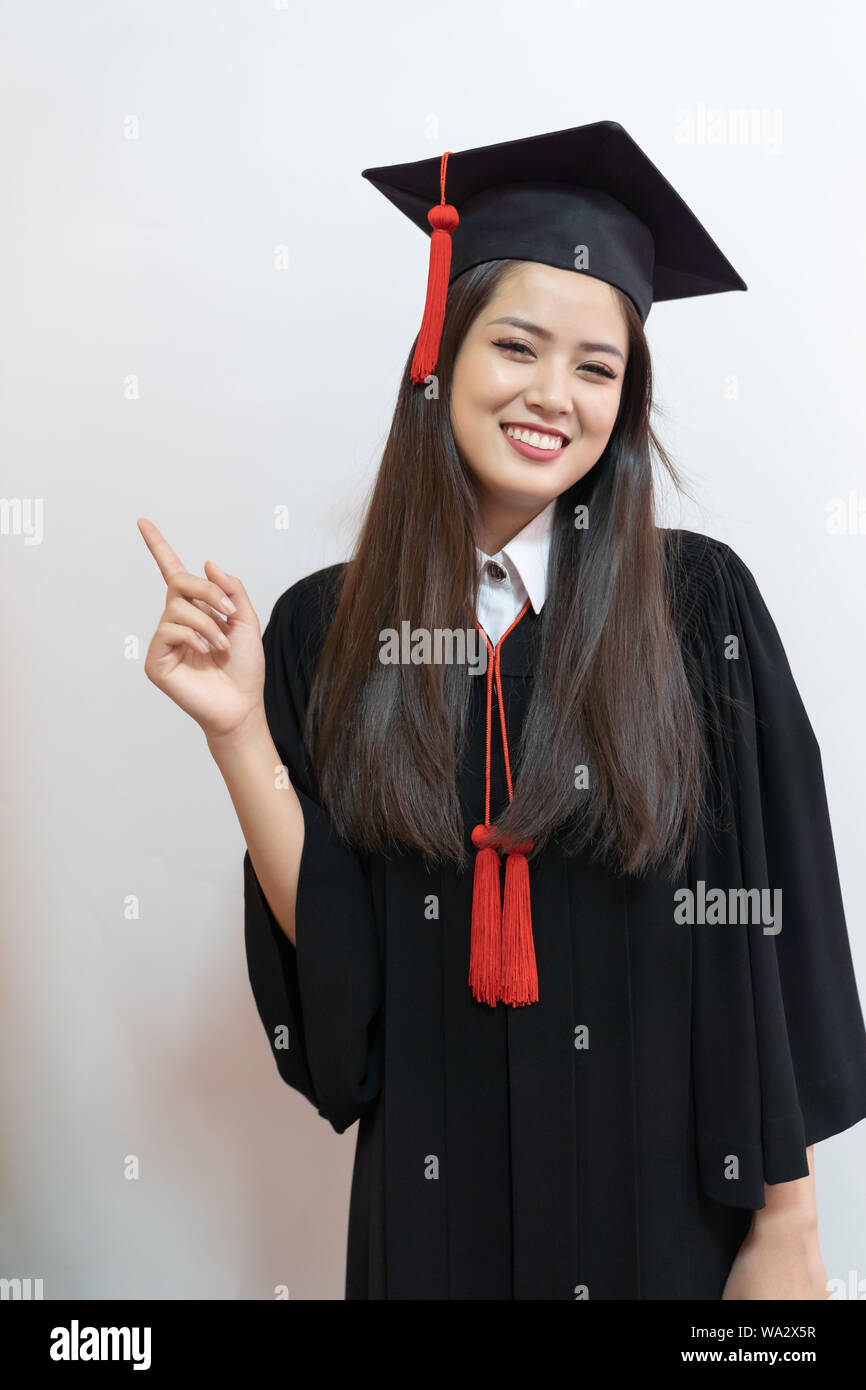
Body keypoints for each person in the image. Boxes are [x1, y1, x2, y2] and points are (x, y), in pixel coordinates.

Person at [139, 121, 866, 1300]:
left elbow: (764, 928)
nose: (551, 395)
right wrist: (235, 732)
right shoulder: (327, 629)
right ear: (439, 352)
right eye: (516, 346)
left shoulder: (693, 606)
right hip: (435, 1224)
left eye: (596, 366)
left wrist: (784, 1228)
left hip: (665, 1226)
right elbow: (344, 980)